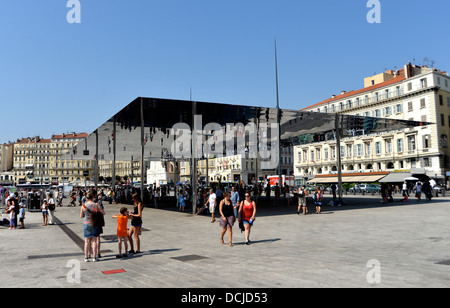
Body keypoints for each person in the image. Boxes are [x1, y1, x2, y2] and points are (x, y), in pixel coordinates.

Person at [80, 193, 104, 262]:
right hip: (94, 223)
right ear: (92, 198)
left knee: (87, 241)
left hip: (86, 223)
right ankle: (94, 257)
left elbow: (81, 216)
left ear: (86, 199)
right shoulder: (96, 205)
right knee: (94, 241)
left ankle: (86, 257)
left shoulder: (83, 206)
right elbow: (103, 212)